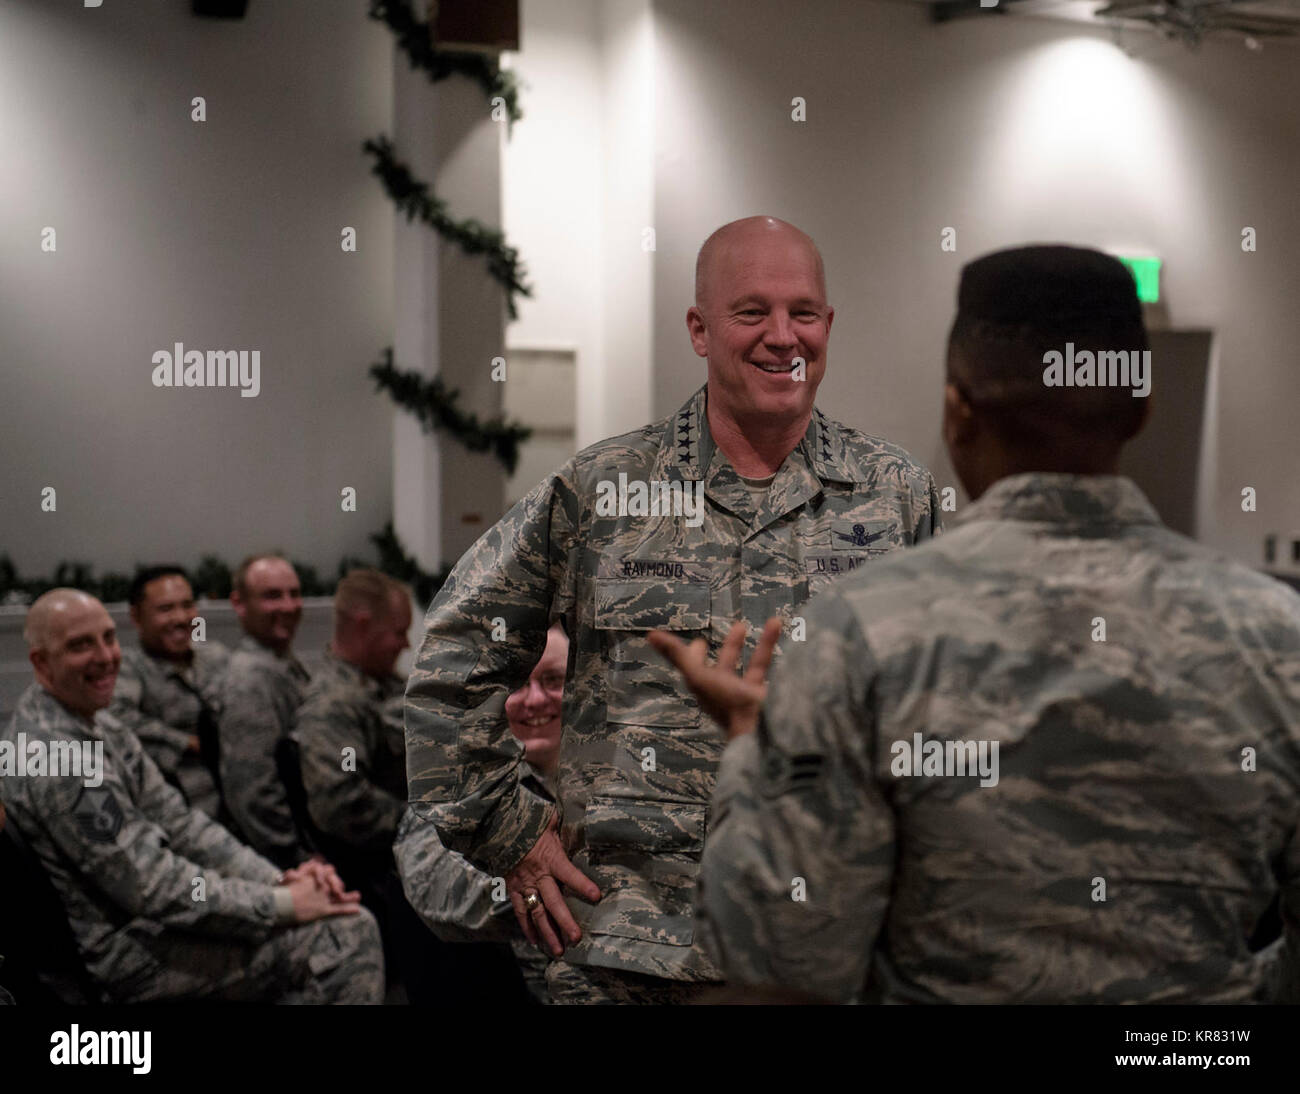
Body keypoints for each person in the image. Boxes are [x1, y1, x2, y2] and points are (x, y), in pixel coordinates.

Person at [653, 244, 1300, 1003]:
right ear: (1142, 407)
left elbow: (781, 956)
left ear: (957, 411)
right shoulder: (1276, 635)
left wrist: (751, 756)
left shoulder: (863, 631)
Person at [405, 215, 942, 1003]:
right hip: (631, 951)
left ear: (829, 325)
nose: (782, 336)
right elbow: (453, 656)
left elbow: (940, 706)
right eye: (751, 312)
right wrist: (510, 834)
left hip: (828, 949)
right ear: (699, 328)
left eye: (803, 313)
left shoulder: (897, 497)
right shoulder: (604, 490)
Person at [0, 589, 384, 1003]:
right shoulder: (61, 760)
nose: (106, 656)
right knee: (344, 936)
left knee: (335, 922)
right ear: (41, 663)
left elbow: (182, 823)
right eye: (79, 645)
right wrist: (280, 904)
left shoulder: (95, 721)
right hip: (127, 955)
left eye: (109, 638)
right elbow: (150, 884)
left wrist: (277, 879)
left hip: (152, 919)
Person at [396, 622, 570, 1004]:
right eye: (518, 684)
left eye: (555, 680)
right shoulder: (457, 781)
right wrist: (548, 883)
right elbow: (432, 885)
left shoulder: (613, 772)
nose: (536, 699)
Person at [109, 565, 228, 817]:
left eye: (187, 605)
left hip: (238, 798)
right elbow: (114, 719)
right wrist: (188, 743)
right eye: (165, 609)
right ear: (136, 616)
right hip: (182, 811)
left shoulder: (215, 657)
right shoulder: (128, 670)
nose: (181, 618)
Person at [219, 553, 311, 868]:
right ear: (239, 604)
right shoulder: (250, 679)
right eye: (272, 596)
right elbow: (253, 792)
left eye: (294, 594)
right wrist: (299, 859)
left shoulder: (283, 662)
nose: (288, 606)